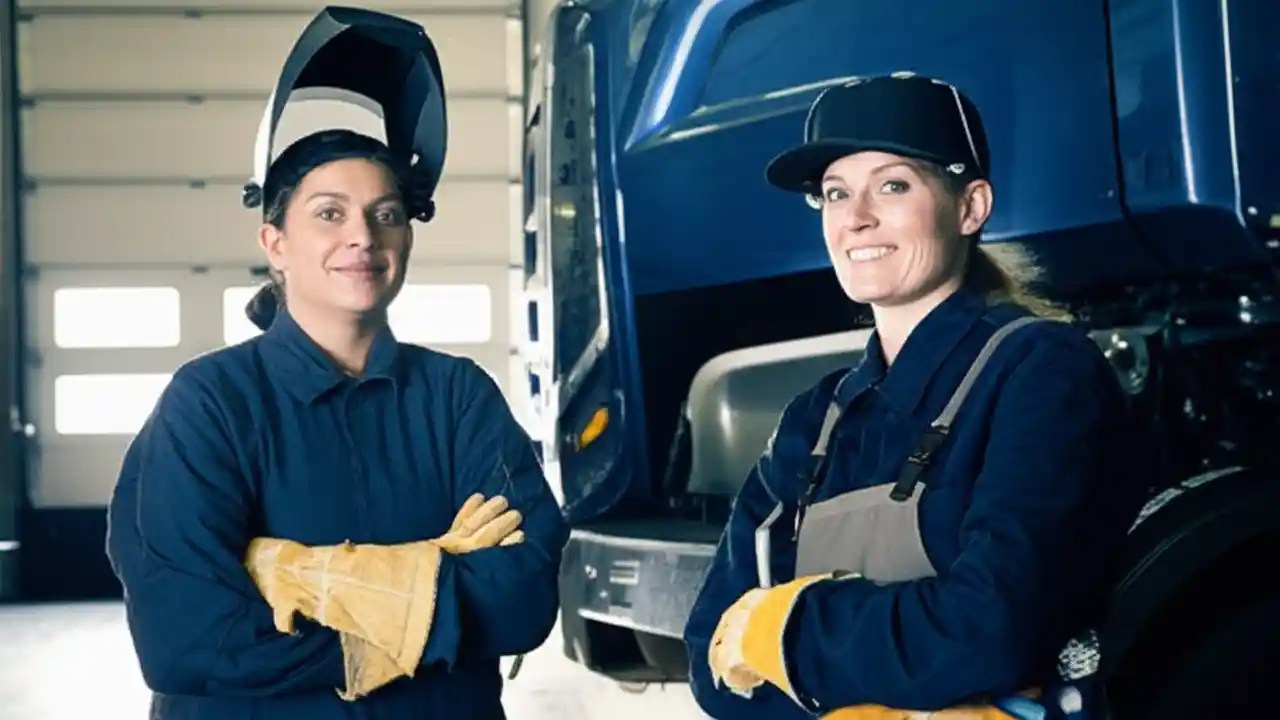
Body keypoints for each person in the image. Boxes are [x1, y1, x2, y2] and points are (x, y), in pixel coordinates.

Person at [682, 73, 1146, 719]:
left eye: (892, 185)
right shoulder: (815, 421)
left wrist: (785, 630)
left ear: (970, 207)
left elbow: (990, 629)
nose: (856, 217)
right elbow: (713, 654)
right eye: (836, 193)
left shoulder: (1039, 372)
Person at [104, 124, 568, 719]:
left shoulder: (458, 396)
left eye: (387, 214)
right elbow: (189, 640)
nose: (363, 237)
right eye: (329, 213)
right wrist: (425, 592)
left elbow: (523, 601)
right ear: (274, 243)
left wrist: (309, 581)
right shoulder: (210, 403)